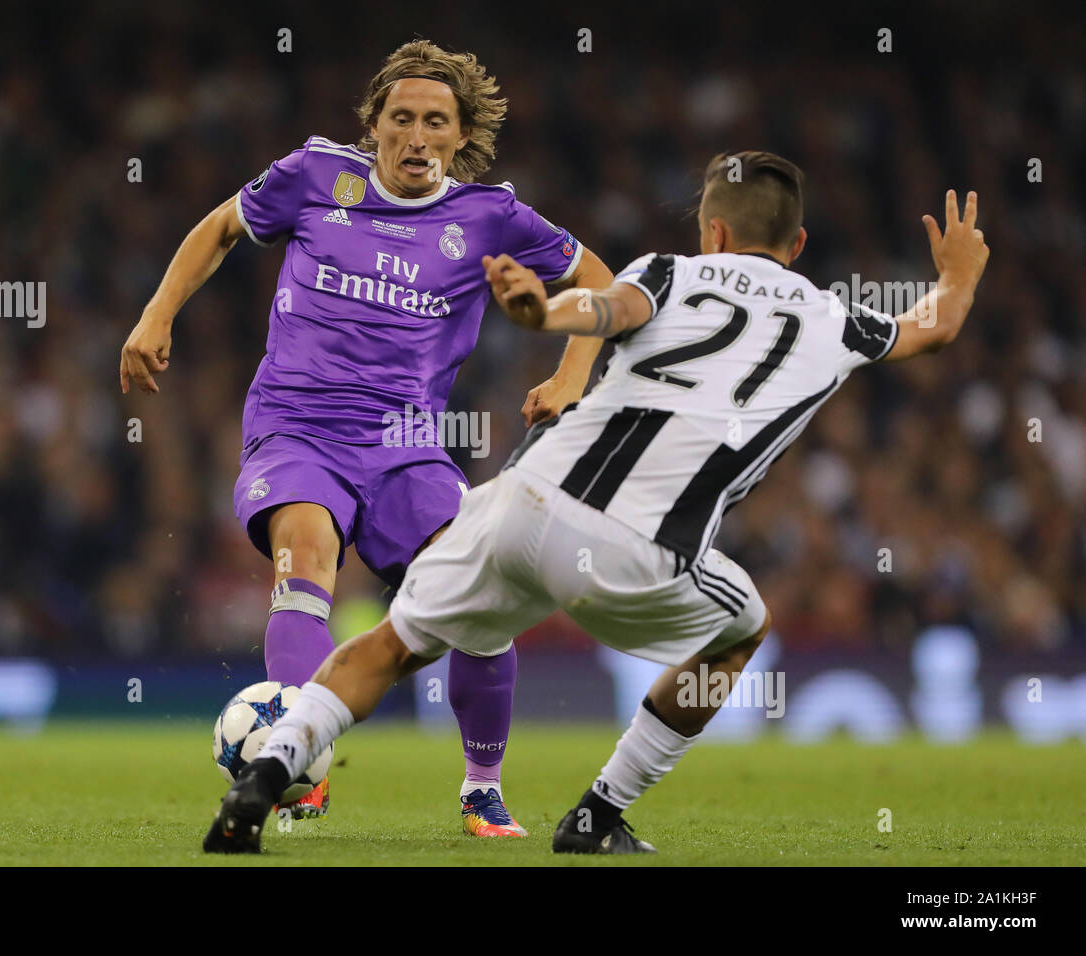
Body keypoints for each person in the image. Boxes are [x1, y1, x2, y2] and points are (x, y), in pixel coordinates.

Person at [204, 152, 990, 855]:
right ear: (800, 246)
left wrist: (539, 313)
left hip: (521, 501)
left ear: (712, 233)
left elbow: (605, 309)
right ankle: (597, 815)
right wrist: (959, 273)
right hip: (634, 553)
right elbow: (938, 326)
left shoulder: (667, 272)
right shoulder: (837, 319)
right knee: (744, 630)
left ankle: (266, 778)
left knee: (390, 644)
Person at [120, 40, 614, 833]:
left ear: (460, 137)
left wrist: (572, 376)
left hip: (407, 447)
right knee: (308, 556)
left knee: (482, 600)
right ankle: (300, 770)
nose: (417, 137)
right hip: (296, 427)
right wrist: (156, 312)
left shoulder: (488, 216)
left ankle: (482, 788)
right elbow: (220, 227)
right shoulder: (317, 176)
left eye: (435, 123)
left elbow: (601, 281)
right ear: (374, 126)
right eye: (402, 119)